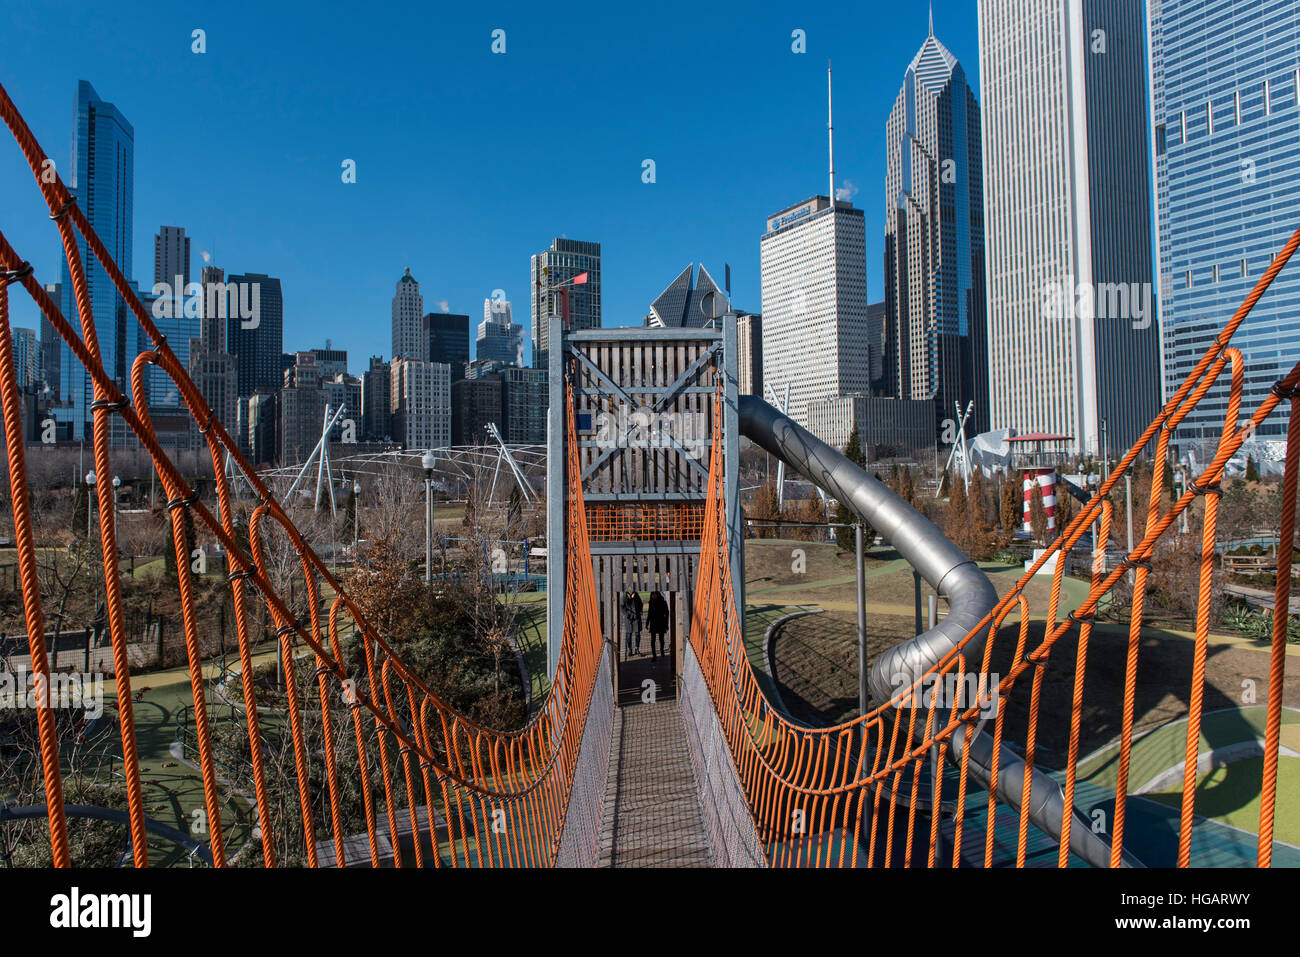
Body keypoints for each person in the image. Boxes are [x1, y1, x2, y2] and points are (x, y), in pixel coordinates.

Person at [646, 591, 669, 661]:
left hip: (661, 623)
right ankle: (654, 655)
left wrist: (666, 623)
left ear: (657, 595)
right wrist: (647, 623)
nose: (653, 596)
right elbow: (649, 613)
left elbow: (667, 613)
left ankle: (662, 651)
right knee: (653, 640)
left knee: (661, 639)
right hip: (653, 623)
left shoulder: (663, 602)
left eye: (655, 595)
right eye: (652, 595)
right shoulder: (651, 603)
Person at [620, 589, 643, 657]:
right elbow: (622, 607)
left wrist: (639, 612)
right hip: (629, 618)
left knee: (637, 634)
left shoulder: (636, 595)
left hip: (636, 617)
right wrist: (627, 614)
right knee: (628, 635)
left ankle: (637, 649)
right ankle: (629, 649)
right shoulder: (624, 596)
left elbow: (640, 604)